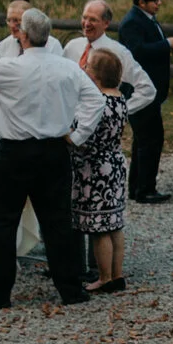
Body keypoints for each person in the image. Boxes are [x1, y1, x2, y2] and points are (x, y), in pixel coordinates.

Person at [0, 7, 104, 310]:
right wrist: (77, 136)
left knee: (5, 223)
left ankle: (0, 293)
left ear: (22, 35)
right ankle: (70, 289)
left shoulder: (9, 67)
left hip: (14, 152)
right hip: (53, 151)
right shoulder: (67, 68)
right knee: (58, 221)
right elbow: (96, 100)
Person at [73, 48, 133, 293]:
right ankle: (117, 274)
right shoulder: (119, 98)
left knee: (99, 228)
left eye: (87, 67)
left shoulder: (98, 102)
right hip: (115, 162)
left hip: (96, 168)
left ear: (95, 75)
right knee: (114, 223)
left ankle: (105, 277)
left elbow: (83, 137)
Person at [117, 0, 173, 203]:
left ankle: (139, 186)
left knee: (146, 139)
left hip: (152, 91)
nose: (159, 3)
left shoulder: (146, 18)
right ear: (141, 2)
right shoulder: (132, 22)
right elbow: (137, 51)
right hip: (140, 91)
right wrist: (166, 45)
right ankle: (144, 189)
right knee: (149, 139)